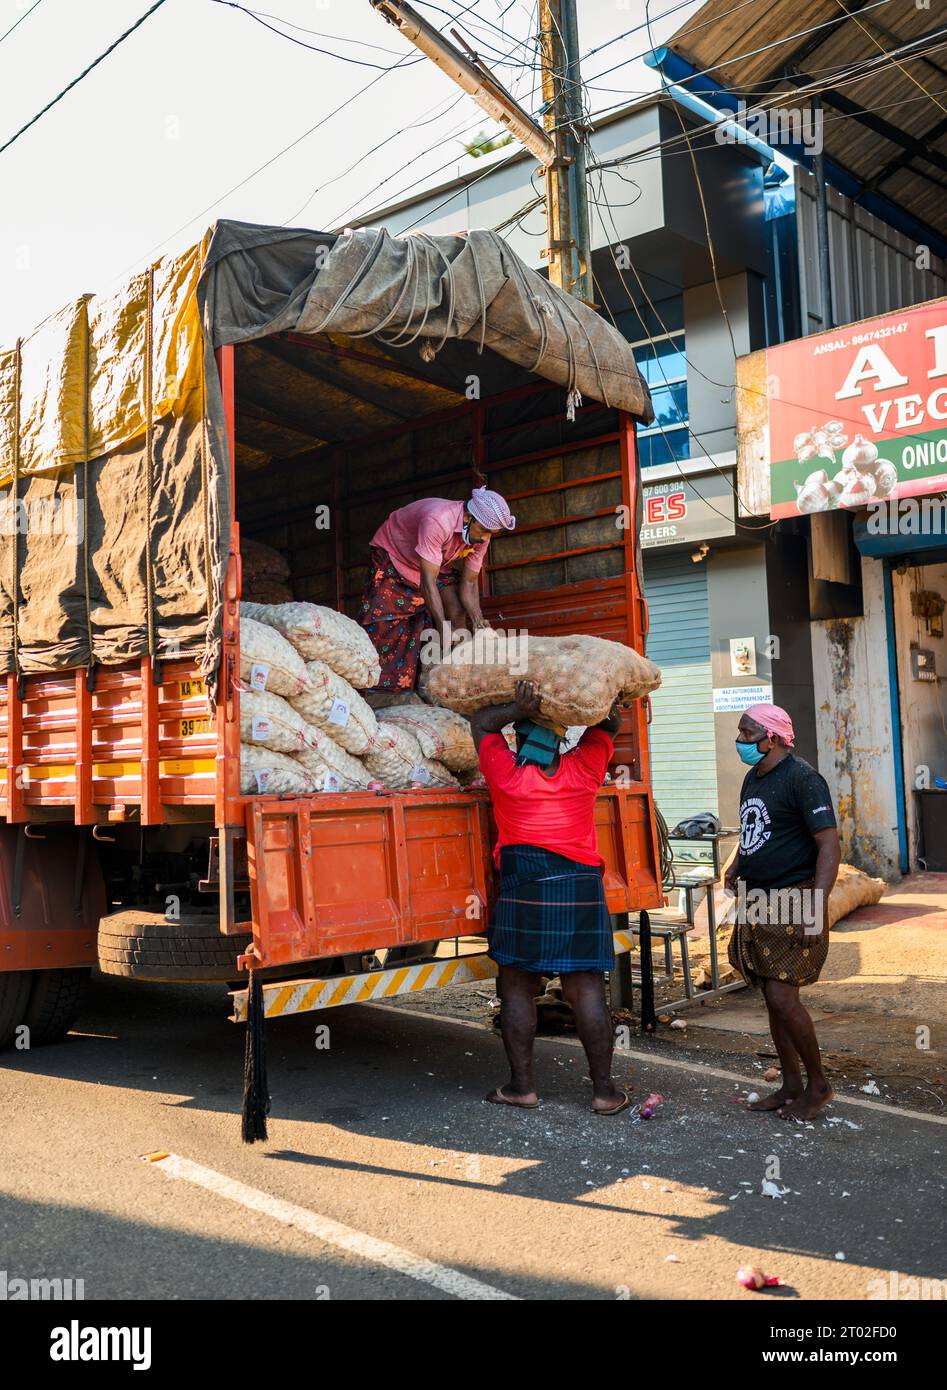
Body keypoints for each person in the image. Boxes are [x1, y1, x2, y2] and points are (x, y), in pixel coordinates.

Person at [470, 680, 630, 1116]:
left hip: (523, 884)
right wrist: (583, 706)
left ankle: (522, 1087)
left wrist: (516, 706)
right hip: (578, 886)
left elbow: (481, 724)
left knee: (517, 988)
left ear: (517, 741)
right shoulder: (584, 770)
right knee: (587, 990)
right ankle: (603, 1092)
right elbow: (610, 724)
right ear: (560, 743)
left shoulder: (505, 773)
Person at [724, 703, 841, 1120]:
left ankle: (818, 1083)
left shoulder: (804, 779)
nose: (739, 741)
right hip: (758, 900)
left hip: (794, 898)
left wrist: (816, 907)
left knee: (782, 995)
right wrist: (736, 866)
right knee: (772, 999)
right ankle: (791, 1083)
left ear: (771, 738)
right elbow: (753, 830)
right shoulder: (752, 779)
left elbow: (828, 844)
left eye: (746, 733)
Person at [358, 488, 515, 692]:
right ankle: (374, 690)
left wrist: (478, 620)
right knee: (385, 624)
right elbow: (428, 582)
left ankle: (461, 675)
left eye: (491, 534)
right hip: (396, 555)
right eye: (484, 531)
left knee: (457, 609)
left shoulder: (480, 536)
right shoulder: (439, 520)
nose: (486, 539)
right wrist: (442, 626)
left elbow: (468, 583)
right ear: (468, 518)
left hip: (434, 562)